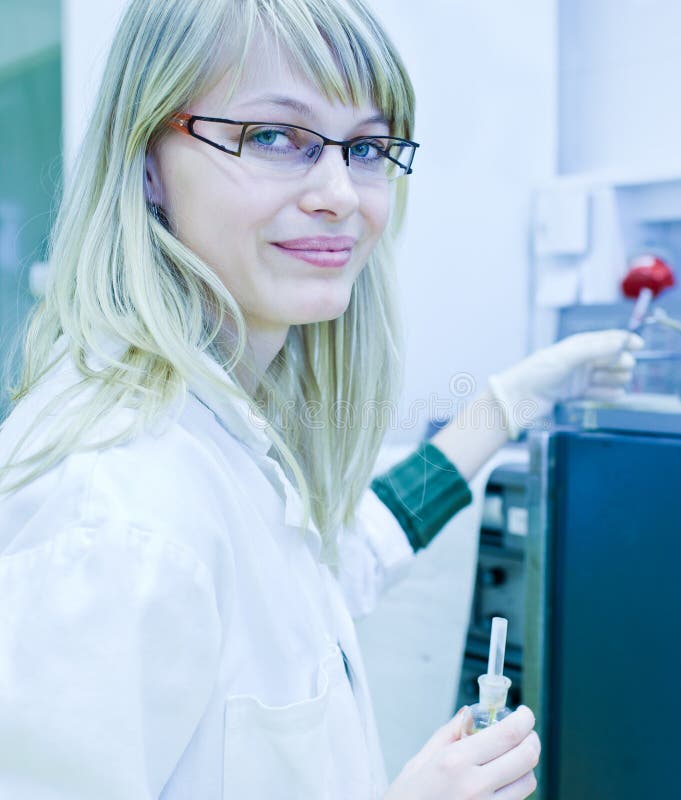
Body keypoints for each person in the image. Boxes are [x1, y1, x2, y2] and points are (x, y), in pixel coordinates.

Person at [0, 0, 640, 797]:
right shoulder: (121, 508)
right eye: (274, 137)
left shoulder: (219, 430)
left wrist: (511, 401)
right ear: (148, 162)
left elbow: (340, 565)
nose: (342, 192)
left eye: (367, 147)